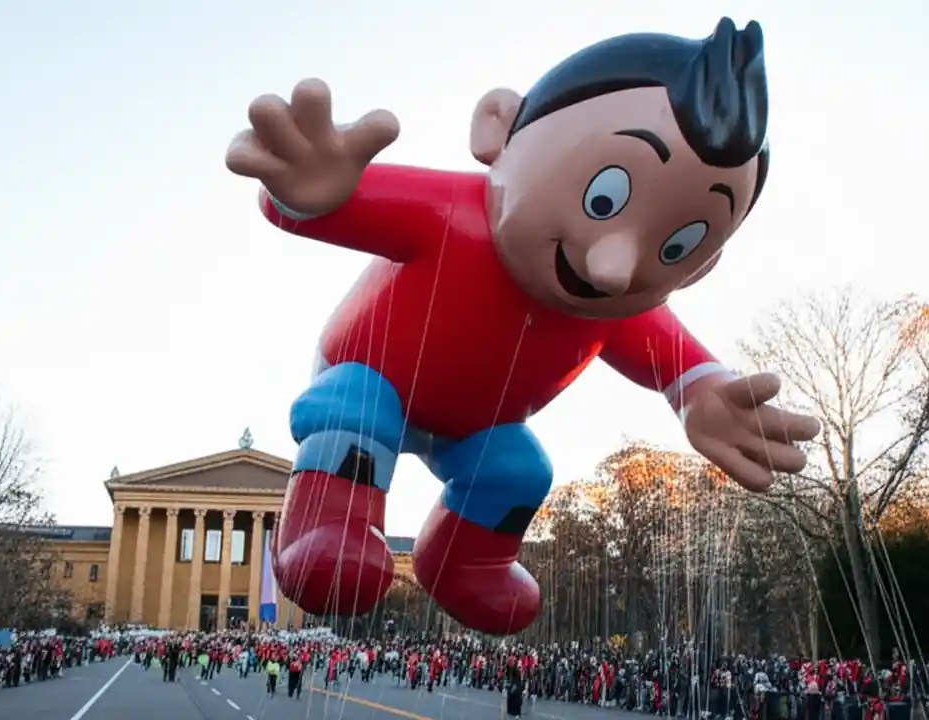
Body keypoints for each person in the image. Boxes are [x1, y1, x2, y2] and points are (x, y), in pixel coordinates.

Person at [226, 16, 818, 635]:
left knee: (518, 469)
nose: (612, 268)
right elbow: (315, 204)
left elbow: (678, 365)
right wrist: (302, 189)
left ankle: (465, 562)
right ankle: (327, 526)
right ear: (499, 131)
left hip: (478, 427)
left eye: (678, 246)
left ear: (703, 265)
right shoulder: (451, 214)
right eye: (604, 199)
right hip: (373, 375)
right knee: (357, 410)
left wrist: (700, 393)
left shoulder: (616, 310)